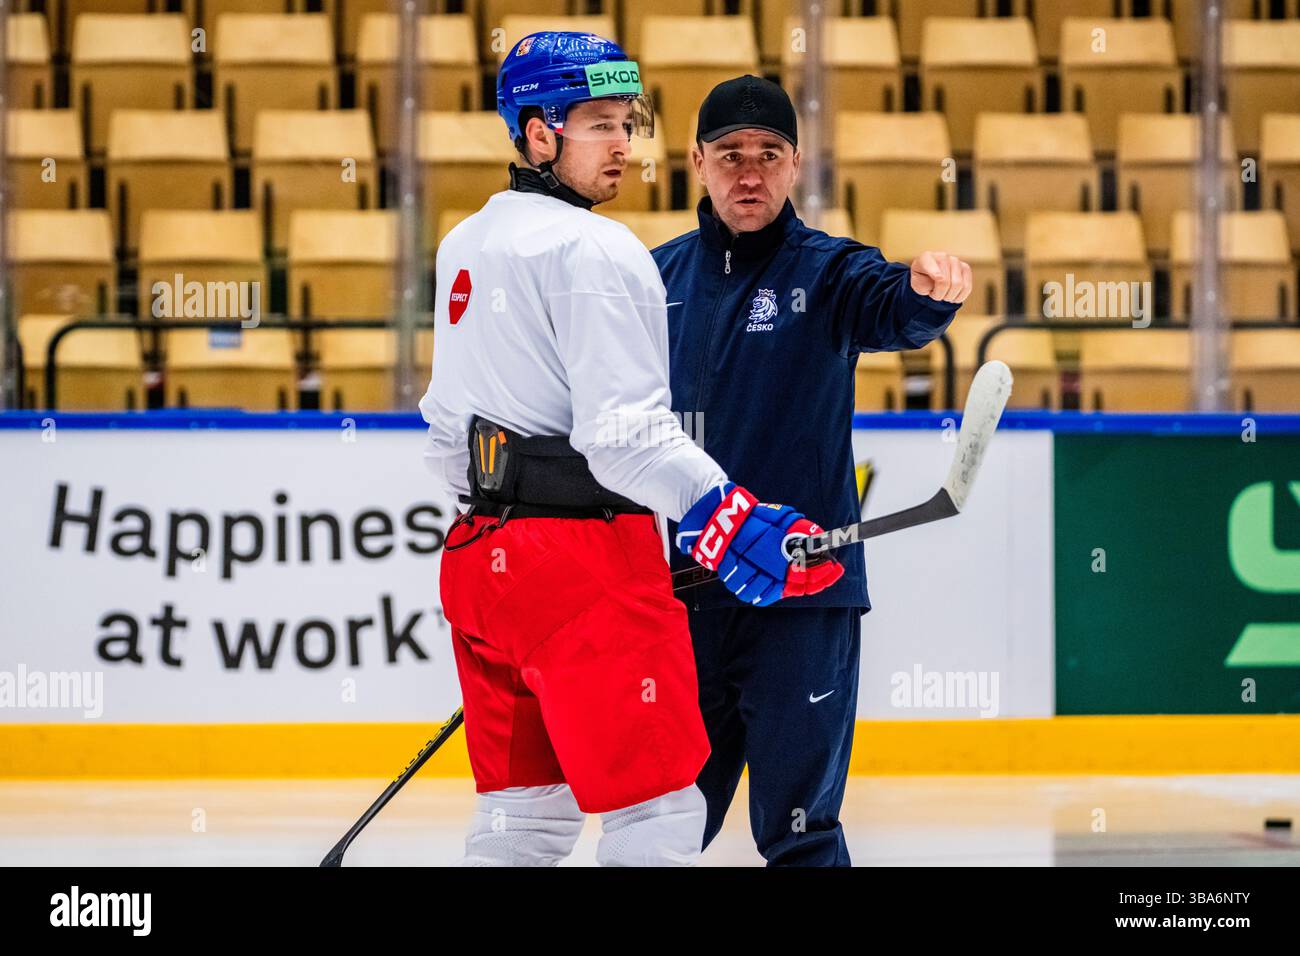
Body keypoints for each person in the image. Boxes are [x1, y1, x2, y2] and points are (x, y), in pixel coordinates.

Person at [418, 36, 843, 867]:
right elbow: (626, 437)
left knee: (524, 817)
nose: (624, 145)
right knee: (657, 815)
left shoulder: (464, 242)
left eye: (628, 122)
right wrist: (731, 515)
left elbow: (444, 436)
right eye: (599, 125)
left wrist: (519, 565)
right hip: (584, 566)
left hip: (480, 561)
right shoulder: (598, 250)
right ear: (538, 133)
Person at [651, 75, 972, 866]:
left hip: (802, 598)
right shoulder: (650, 281)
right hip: (682, 600)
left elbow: (889, 303)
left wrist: (925, 293)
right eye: (730, 156)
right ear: (697, 161)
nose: (750, 173)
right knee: (656, 825)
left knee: (801, 830)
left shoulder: (827, 275)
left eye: (769, 154)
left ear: (796, 166)